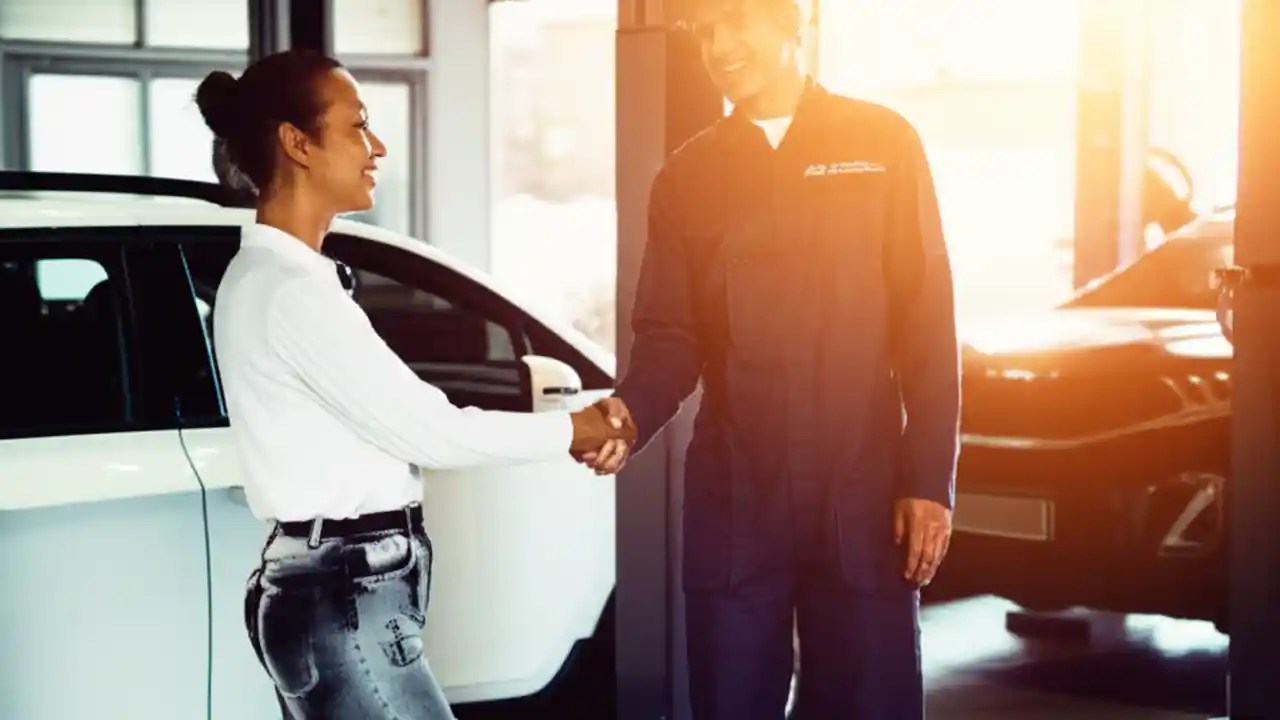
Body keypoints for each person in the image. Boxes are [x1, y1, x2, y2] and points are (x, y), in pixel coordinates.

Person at [196, 50, 633, 720]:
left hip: (331, 592)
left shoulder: (273, 278)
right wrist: (578, 426)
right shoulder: (288, 292)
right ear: (296, 142)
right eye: (357, 127)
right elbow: (431, 430)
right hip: (343, 598)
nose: (377, 147)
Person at [582, 0, 960, 717]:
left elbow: (927, 326)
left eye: (736, 24)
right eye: (705, 32)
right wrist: (626, 416)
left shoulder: (881, 142)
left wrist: (928, 479)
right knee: (728, 702)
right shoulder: (689, 175)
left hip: (864, 487)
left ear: (791, 27)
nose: (719, 45)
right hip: (738, 491)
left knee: (868, 703)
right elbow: (669, 336)